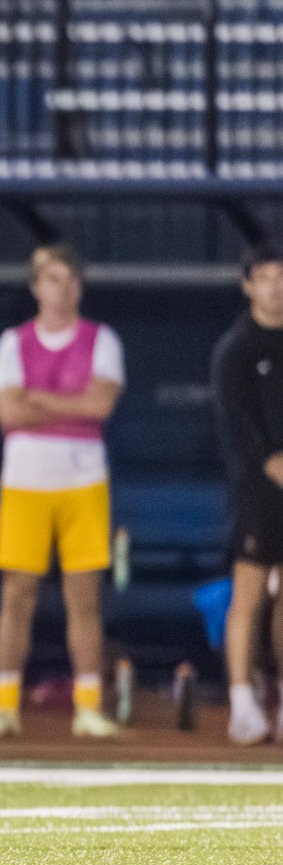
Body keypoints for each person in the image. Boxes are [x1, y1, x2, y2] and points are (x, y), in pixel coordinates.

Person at [0, 243, 123, 741]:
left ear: (79, 286)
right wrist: (70, 404)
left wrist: (37, 399)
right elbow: (8, 414)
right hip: (25, 481)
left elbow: (100, 405)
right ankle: (4, 704)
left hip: (83, 480)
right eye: (50, 278)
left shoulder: (101, 339)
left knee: (83, 597)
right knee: (16, 594)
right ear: (35, 286)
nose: (60, 288)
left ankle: (88, 705)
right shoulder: (12, 342)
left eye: (69, 278)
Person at [210, 243, 283, 746]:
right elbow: (242, 431)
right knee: (249, 595)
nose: (275, 285)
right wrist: (272, 465)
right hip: (257, 491)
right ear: (248, 285)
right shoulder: (235, 349)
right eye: (265, 275)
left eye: (282, 275)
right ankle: (242, 702)